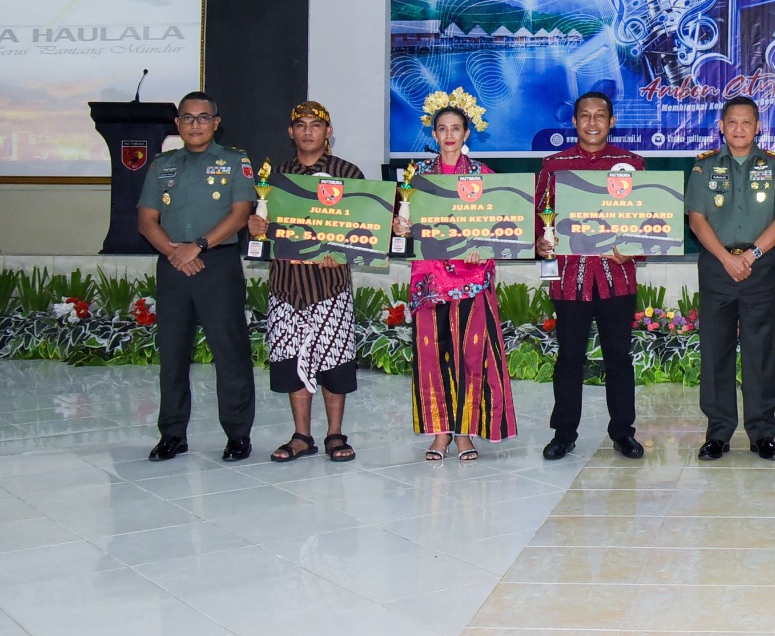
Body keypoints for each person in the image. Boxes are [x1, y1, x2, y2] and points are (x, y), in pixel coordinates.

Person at [391, 93, 517, 460]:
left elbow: (500, 227)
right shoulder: (416, 177)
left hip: (472, 279)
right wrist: (400, 226)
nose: (449, 135)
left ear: (466, 134)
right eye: (443, 129)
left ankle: (465, 433)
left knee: (471, 358)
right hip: (430, 281)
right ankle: (439, 433)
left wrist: (486, 246)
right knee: (432, 359)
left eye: (456, 128)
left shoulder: (484, 176)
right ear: (433, 134)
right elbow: (404, 225)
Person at [136, 92, 256, 461]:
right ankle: (172, 434)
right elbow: (146, 220)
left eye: (203, 117)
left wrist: (199, 246)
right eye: (187, 118)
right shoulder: (163, 164)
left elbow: (241, 213)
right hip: (173, 265)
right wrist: (177, 252)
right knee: (172, 354)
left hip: (217, 264)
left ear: (216, 123)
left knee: (230, 353)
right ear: (178, 123)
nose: (195, 124)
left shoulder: (234, 161)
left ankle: (237, 434)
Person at [246, 100, 364, 464]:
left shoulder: (348, 174)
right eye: (301, 125)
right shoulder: (275, 177)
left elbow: (364, 229)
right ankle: (301, 436)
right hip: (287, 285)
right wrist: (256, 227)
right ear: (291, 132)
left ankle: (334, 434)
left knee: (334, 362)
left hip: (330, 285)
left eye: (316, 125)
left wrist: (342, 252)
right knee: (291, 360)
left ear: (328, 131)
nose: (308, 131)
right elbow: (263, 230)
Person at [535, 91, 646, 461]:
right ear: (574, 121)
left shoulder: (631, 165)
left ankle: (623, 433)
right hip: (570, 279)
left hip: (617, 278)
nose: (592, 122)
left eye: (600, 115)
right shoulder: (554, 166)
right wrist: (541, 243)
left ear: (612, 122)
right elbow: (538, 220)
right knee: (569, 358)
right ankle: (564, 433)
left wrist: (634, 248)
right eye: (585, 115)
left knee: (619, 358)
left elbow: (647, 223)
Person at [685, 97, 775, 461]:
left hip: (758, 266)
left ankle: (762, 433)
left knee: (760, 351)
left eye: (747, 122)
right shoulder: (703, 167)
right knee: (715, 350)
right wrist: (726, 258)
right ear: (721, 127)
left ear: (758, 127)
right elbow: (696, 219)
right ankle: (718, 433)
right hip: (717, 266)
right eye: (732, 122)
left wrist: (750, 256)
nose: (739, 128)